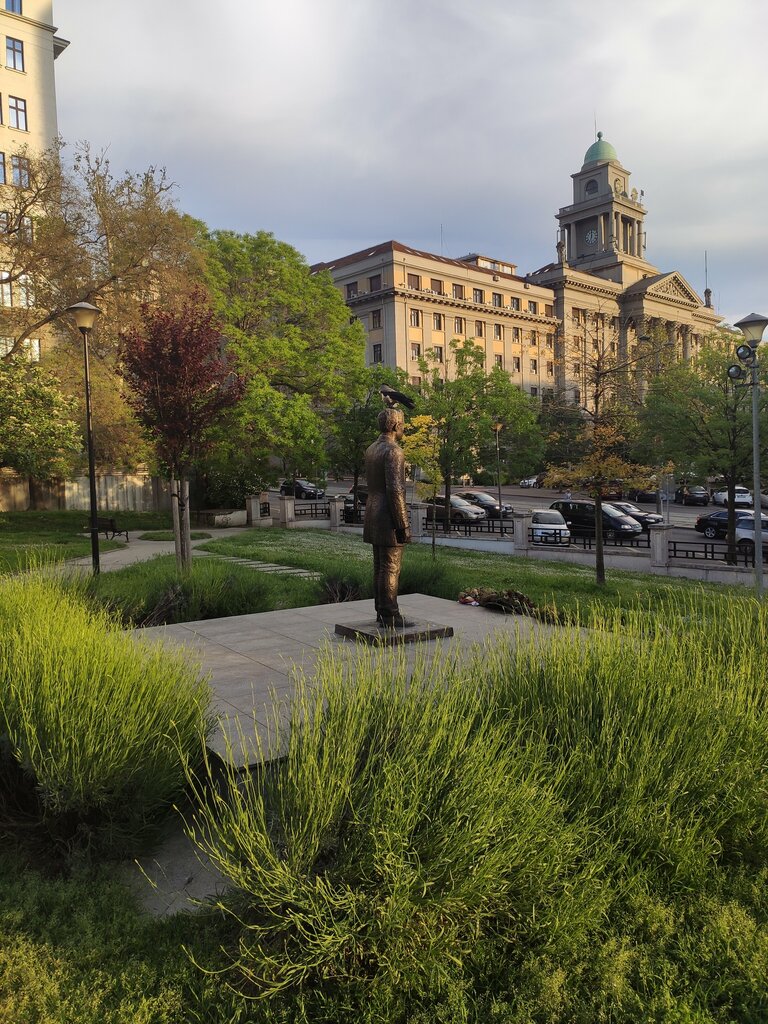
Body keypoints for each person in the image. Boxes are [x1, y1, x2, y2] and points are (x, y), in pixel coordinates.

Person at [363, 407, 411, 627]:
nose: (403, 427)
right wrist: (403, 524)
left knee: (379, 567)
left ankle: (382, 612)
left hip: (373, 513)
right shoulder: (394, 451)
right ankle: (390, 614)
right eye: (402, 423)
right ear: (394, 425)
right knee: (390, 567)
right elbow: (396, 491)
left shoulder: (371, 449)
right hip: (388, 516)